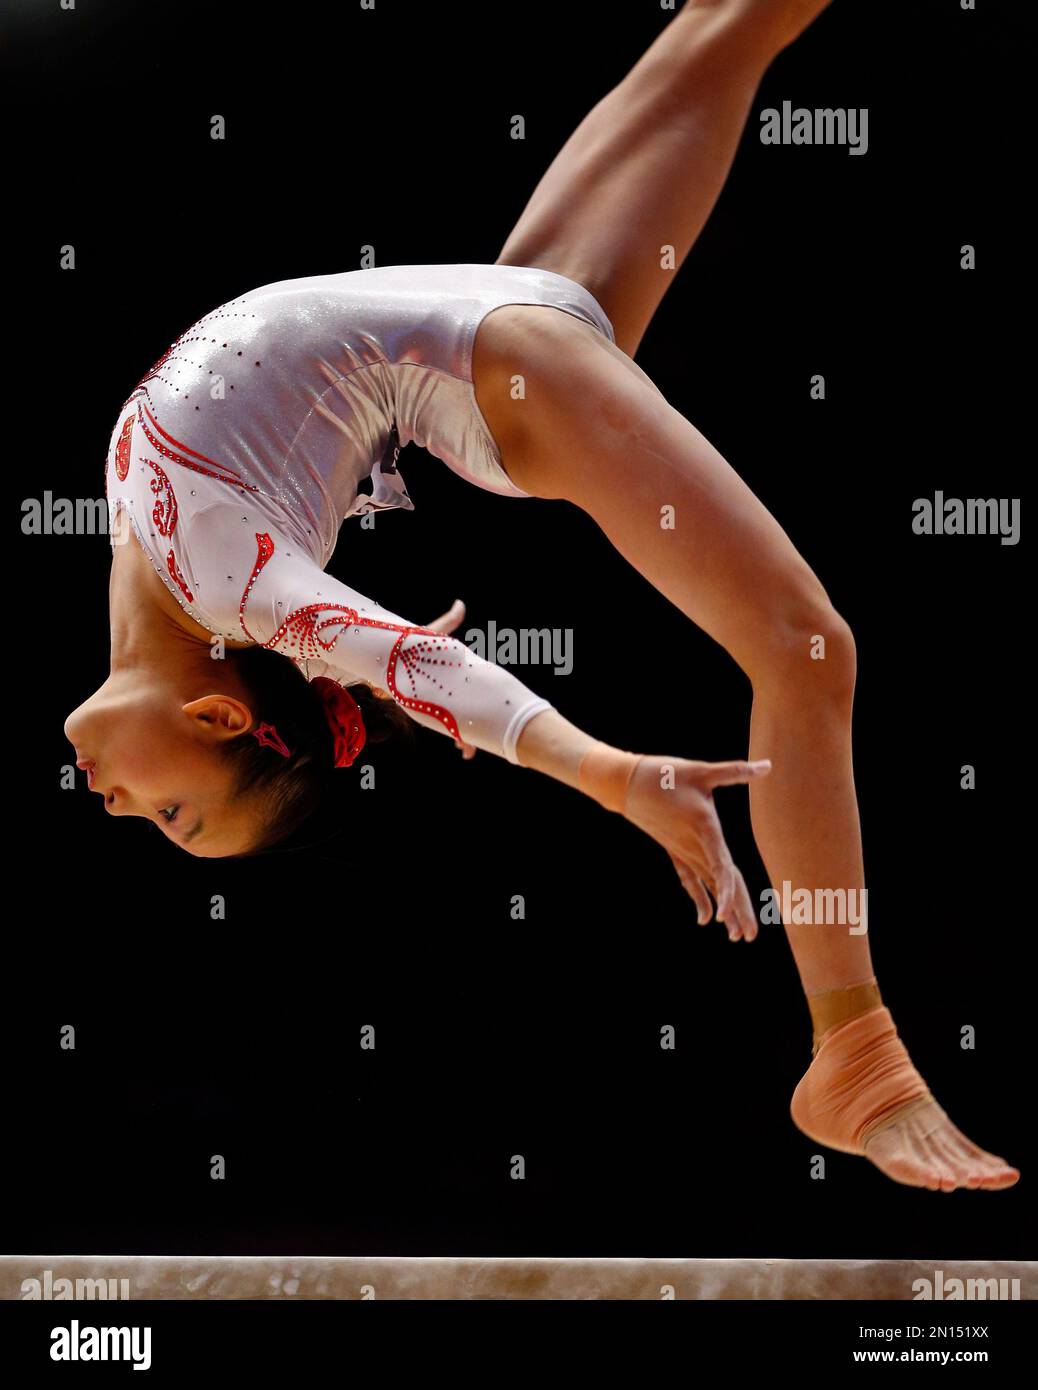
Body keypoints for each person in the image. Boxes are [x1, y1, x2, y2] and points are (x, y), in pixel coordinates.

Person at [64, 0, 1018, 1191]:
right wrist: (614, 774)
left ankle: (852, 1055)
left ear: (218, 718)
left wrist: (406, 683)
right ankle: (856, 1057)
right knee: (807, 651)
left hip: (505, 328)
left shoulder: (202, 581)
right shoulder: (216, 591)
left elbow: (396, 663)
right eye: (171, 819)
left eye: (174, 820)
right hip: (510, 370)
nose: (120, 810)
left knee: (730, 27)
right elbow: (402, 663)